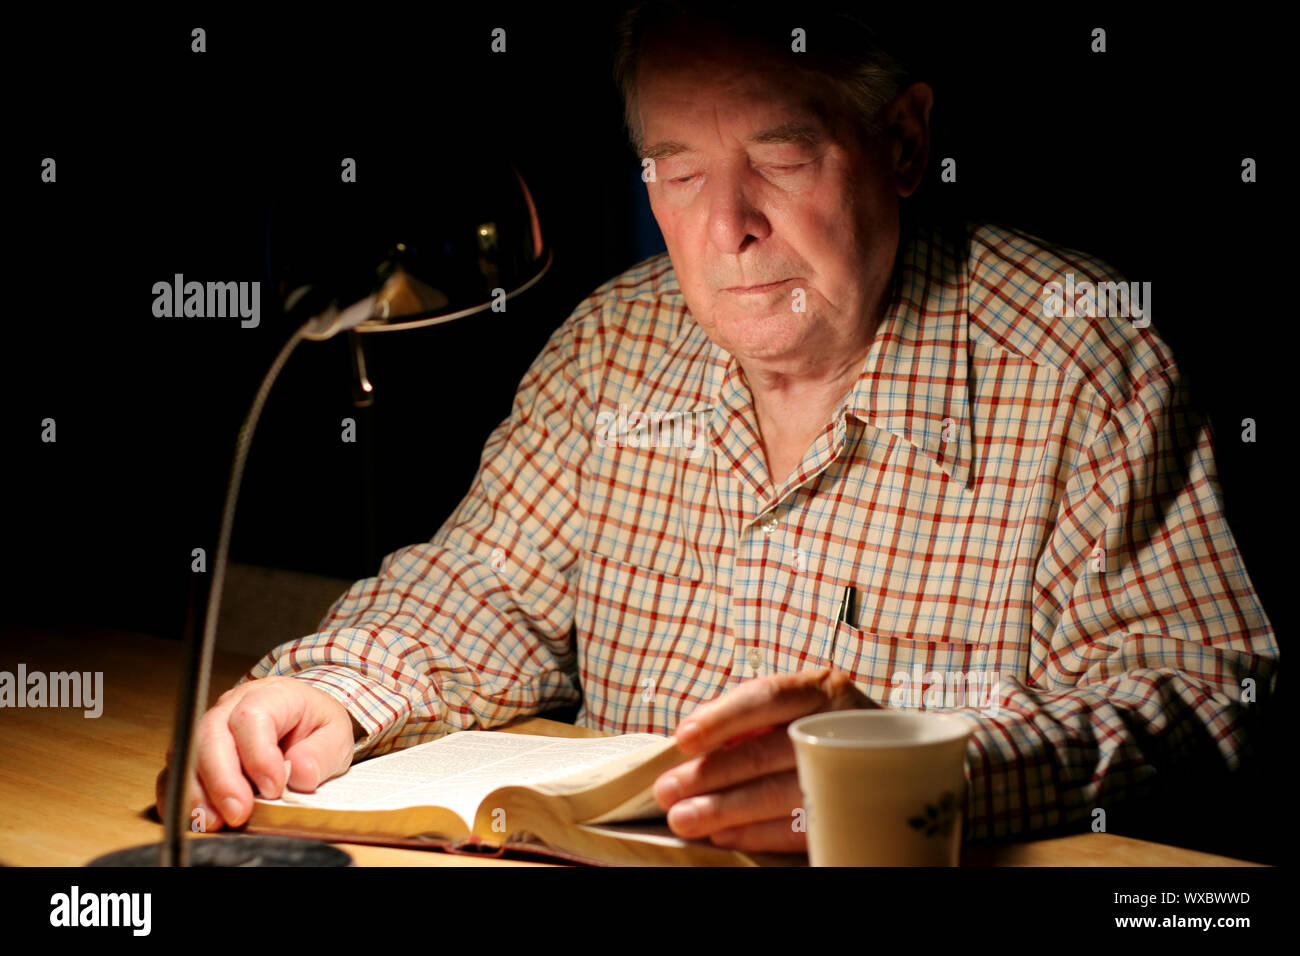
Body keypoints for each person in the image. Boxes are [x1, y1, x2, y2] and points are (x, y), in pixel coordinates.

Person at [157, 1, 1278, 853]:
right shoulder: (616, 345)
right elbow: (482, 588)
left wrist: (902, 766)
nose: (725, 229)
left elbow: (1195, 690)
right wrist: (329, 688)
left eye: (782, 159)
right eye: (679, 172)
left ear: (900, 139)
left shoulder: (1080, 360)